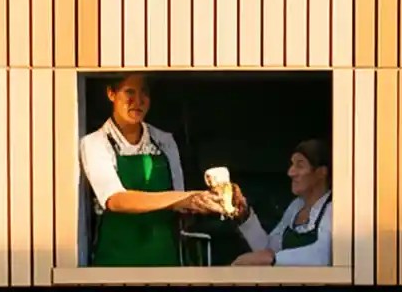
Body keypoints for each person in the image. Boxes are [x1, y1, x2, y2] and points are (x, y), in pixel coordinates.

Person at [79, 73, 221, 266]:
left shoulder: (164, 141)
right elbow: (116, 200)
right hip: (116, 263)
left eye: (144, 92)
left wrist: (205, 202)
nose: (138, 101)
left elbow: (180, 201)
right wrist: (184, 198)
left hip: (165, 261)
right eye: (129, 92)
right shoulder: (95, 143)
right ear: (111, 94)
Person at [229, 139, 333, 266]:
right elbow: (269, 249)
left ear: (321, 172)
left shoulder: (333, 209)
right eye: (292, 165)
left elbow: (325, 254)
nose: (290, 172)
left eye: (300, 165)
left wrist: (274, 258)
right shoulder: (296, 207)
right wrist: (244, 216)